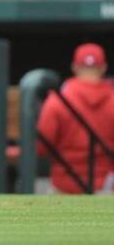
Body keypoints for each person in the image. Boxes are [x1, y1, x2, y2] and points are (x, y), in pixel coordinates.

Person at [37, 43, 113, 194]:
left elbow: (41, 148)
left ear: (75, 67)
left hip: (63, 185)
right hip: (105, 187)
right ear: (103, 67)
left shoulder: (58, 100)